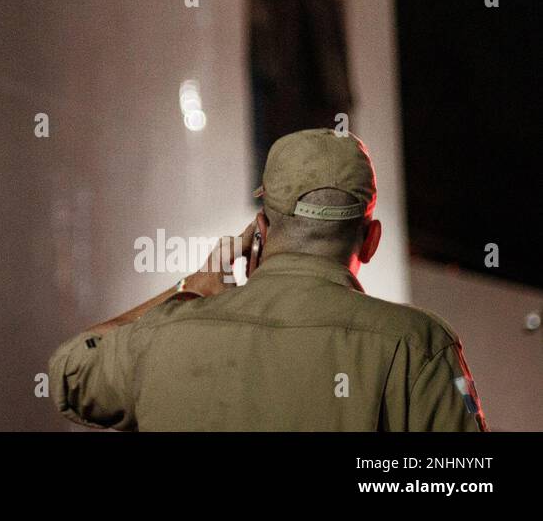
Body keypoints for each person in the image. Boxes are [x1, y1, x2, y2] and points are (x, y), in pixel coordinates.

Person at [48, 128, 487, 431]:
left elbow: (69, 370)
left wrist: (192, 288)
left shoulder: (164, 334)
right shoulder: (419, 346)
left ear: (259, 229)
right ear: (371, 240)